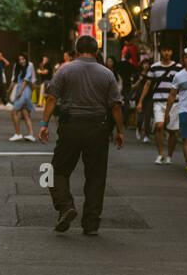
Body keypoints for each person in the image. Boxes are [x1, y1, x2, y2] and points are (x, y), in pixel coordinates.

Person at [38, 35, 125, 235]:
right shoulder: (107, 74)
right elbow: (116, 106)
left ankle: (65, 205)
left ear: (76, 51)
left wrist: (44, 124)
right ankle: (91, 223)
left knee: (56, 170)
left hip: (70, 126)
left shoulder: (65, 70)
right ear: (96, 52)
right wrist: (119, 131)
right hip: (98, 128)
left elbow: (52, 98)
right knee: (95, 175)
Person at [138, 43, 182, 165]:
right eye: (164, 50)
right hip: (159, 101)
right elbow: (147, 84)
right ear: (160, 52)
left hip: (174, 103)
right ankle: (160, 154)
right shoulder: (154, 67)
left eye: (168, 50)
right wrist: (140, 101)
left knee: (173, 131)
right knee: (159, 126)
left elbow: (182, 86)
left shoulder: (179, 68)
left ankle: (169, 155)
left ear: (172, 52)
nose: (166, 53)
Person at [8, 54, 38, 141]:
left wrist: (20, 92)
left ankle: (18, 134)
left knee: (14, 112)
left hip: (24, 91)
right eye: (20, 60)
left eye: (23, 59)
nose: (22, 61)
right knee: (25, 114)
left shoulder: (29, 67)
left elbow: (25, 81)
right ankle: (31, 135)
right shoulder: (20, 68)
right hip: (23, 91)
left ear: (26, 59)